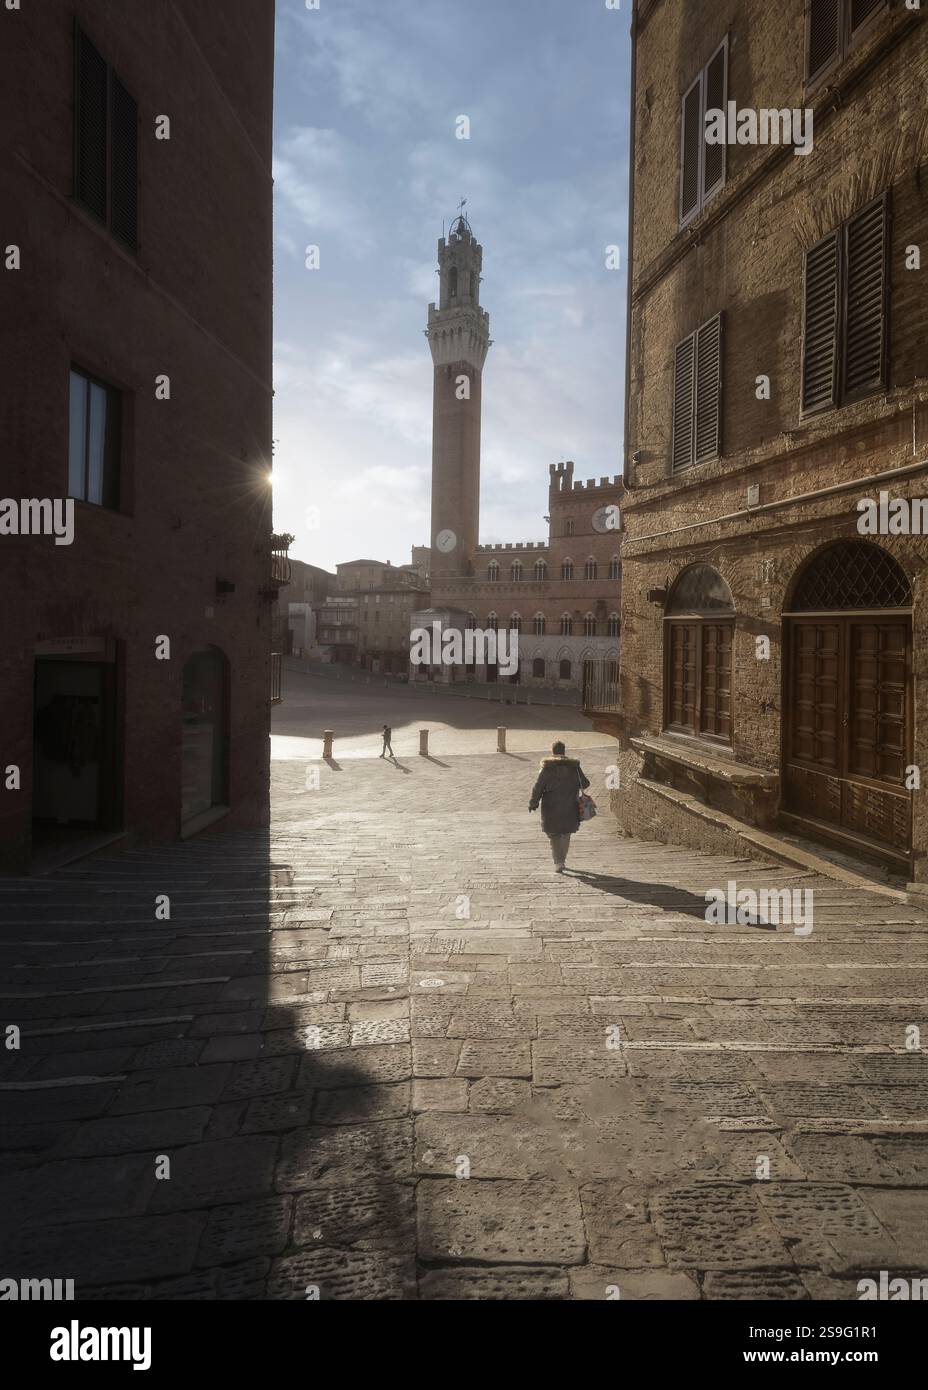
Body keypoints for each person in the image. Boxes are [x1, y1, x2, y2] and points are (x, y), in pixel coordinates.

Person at [529, 740, 591, 873]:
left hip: (551, 807)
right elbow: (585, 784)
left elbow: (538, 788)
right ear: (564, 751)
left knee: (554, 834)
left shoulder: (547, 768)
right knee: (566, 833)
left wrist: (533, 803)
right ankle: (562, 859)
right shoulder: (574, 767)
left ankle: (559, 862)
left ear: (552, 752)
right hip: (570, 805)